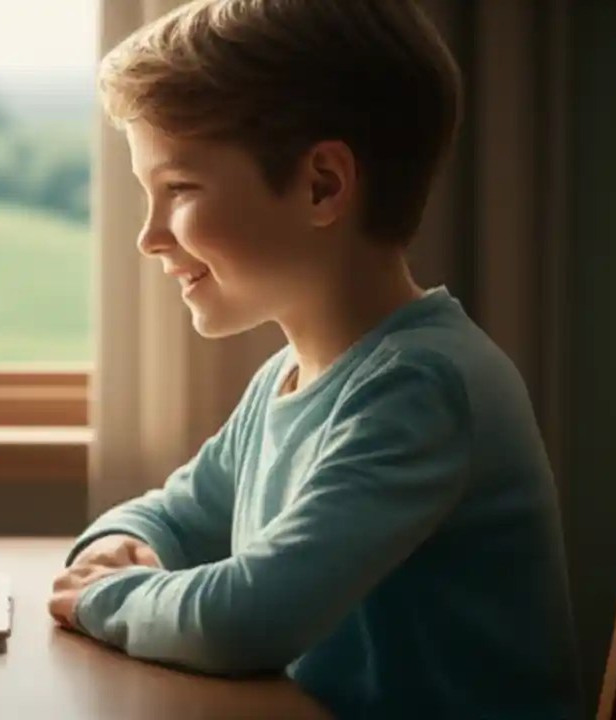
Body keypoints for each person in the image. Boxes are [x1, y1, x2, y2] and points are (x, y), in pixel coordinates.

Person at [47, 1, 583, 717]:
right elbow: (179, 512)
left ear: (322, 185)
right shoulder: (291, 376)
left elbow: (246, 618)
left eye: (178, 189)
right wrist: (120, 541)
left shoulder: (420, 387)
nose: (148, 236)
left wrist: (102, 598)